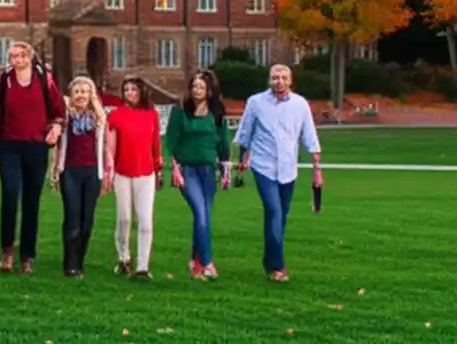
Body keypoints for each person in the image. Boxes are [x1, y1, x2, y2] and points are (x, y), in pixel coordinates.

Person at [0, 41, 66, 275]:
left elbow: (59, 110)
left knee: (32, 201)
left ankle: (27, 256)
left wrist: (56, 129)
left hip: (36, 147)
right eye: (13, 57)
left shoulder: (43, 79)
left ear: (29, 56)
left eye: (21, 56)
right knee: (10, 195)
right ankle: (7, 251)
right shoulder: (3, 81)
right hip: (9, 146)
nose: (17, 60)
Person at [234, 64, 323, 283]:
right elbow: (245, 132)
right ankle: (277, 267)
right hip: (263, 166)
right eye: (275, 78)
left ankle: (269, 257)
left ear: (290, 81)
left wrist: (316, 169)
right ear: (269, 80)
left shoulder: (300, 105)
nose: (279, 82)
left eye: (284, 77)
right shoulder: (256, 102)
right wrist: (243, 157)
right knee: (273, 211)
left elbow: (309, 136)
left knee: (281, 215)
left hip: (288, 168)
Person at [167, 69, 232, 280]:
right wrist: (175, 168)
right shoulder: (180, 112)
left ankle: (194, 262)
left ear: (210, 90)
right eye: (194, 86)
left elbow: (224, 143)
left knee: (202, 217)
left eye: (201, 87)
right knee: (201, 214)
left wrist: (225, 171)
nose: (196, 90)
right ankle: (206, 263)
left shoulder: (217, 113)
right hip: (187, 171)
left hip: (208, 171)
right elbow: (170, 142)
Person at [105, 76, 162, 280]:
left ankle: (142, 267)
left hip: (146, 173)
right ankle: (123, 257)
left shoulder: (151, 114)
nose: (129, 93)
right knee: (124, 218)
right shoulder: (115, 115)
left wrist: (158, 166)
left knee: (145, 221)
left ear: (141, 92)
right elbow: (110, 147)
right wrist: (108, 172)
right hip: (122, 173)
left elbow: (155, 142)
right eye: (126, 89)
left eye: (133, 89)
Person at [50, 76, 107, 278]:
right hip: (71, 172)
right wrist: (55, 171)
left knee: (87, 220)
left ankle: (80, 260)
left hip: (92, 173)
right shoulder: (65, 117)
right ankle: (70, 264)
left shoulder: (99, 119)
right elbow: (57, 146)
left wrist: (107, 172)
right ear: (71, 95)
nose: (81, 95)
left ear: (91, 95)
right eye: (77, 91)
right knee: (72, 218)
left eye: (85, 91)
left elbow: (106, 147)